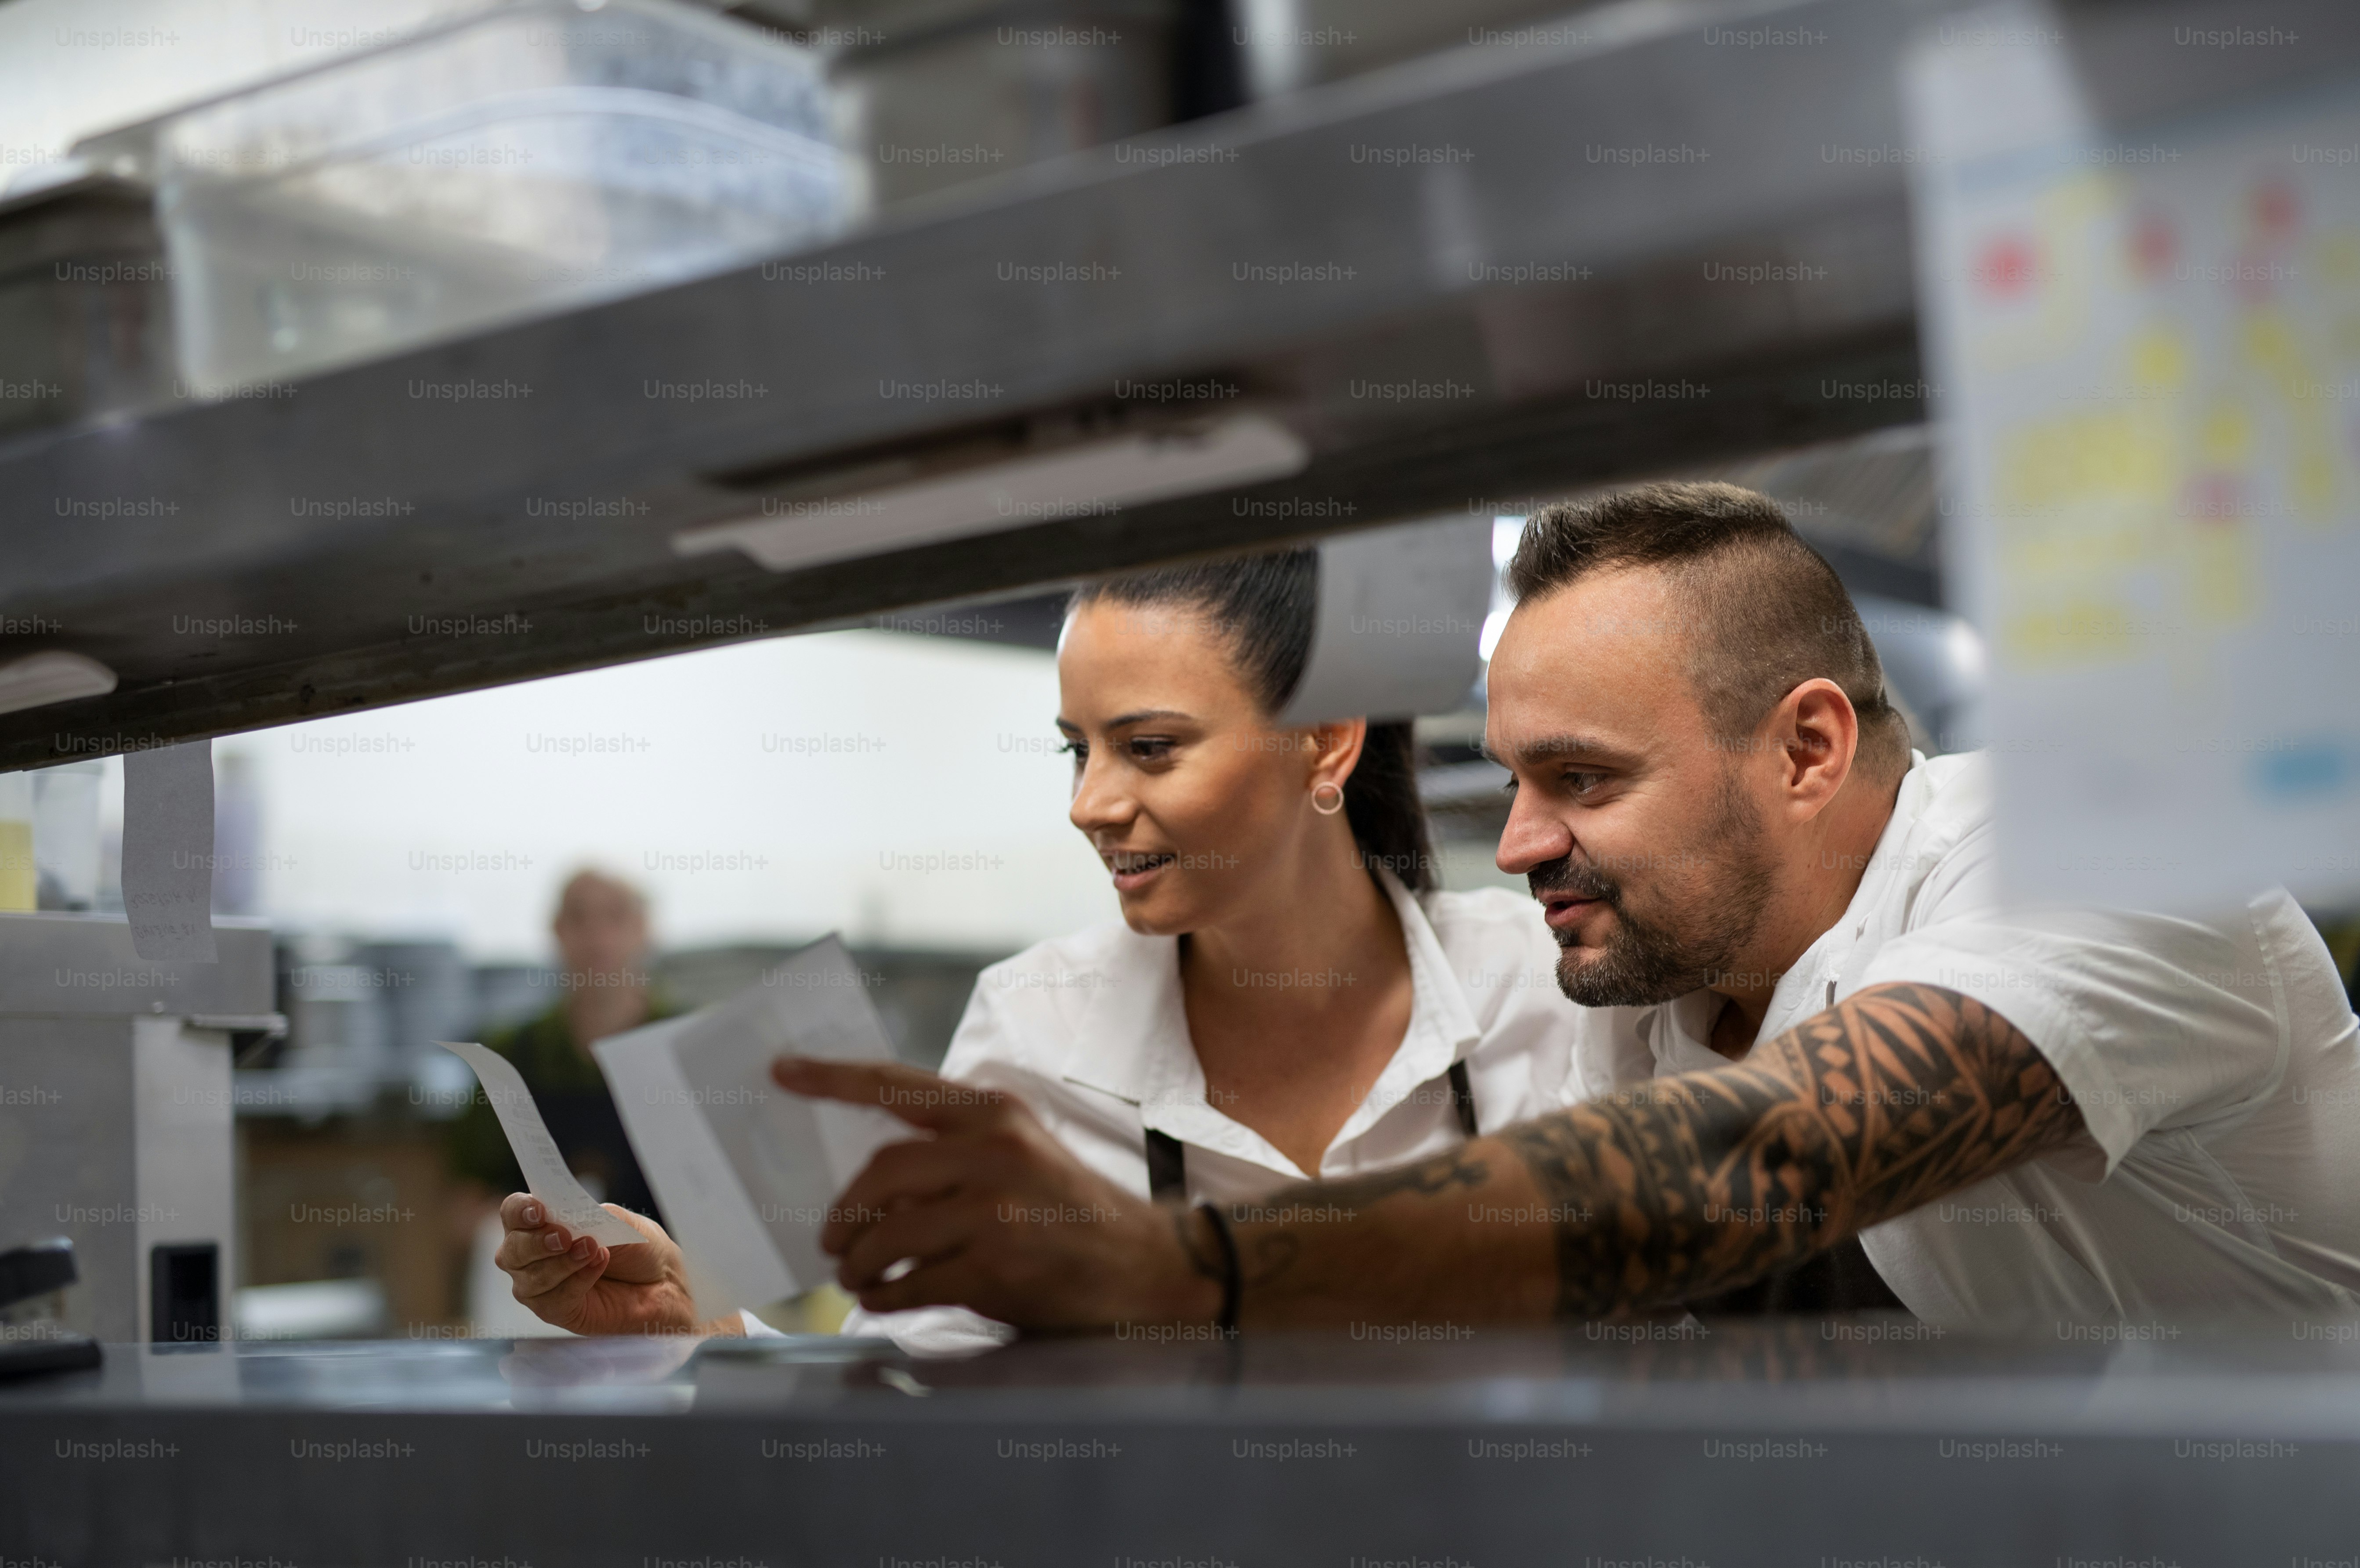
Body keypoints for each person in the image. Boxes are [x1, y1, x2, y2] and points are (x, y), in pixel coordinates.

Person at [767, 480, 2360, 1333]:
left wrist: (1179, 1270)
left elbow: (1766, 1156)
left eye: (1583, 780)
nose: (1516, 847)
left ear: (1807, 745)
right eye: (1511, 779)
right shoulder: (1665, 994)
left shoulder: (2098, 835)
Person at [492, 549, 1607, 1340]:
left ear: (1323, 743)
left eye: (1150, 748)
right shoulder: (1035, 1027)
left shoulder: (1551, 993)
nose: (1090, 803)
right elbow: (923, 1408)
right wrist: (696, 1329)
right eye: (1076, 751)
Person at [449, 869, 674, 1225]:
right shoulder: (512, 1054)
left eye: (615, 917)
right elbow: (467, 1200)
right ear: (556, 930)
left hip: (673, 1273)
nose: (597, 937)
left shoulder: (684, 1045)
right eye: (579, 918)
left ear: (646, 930)